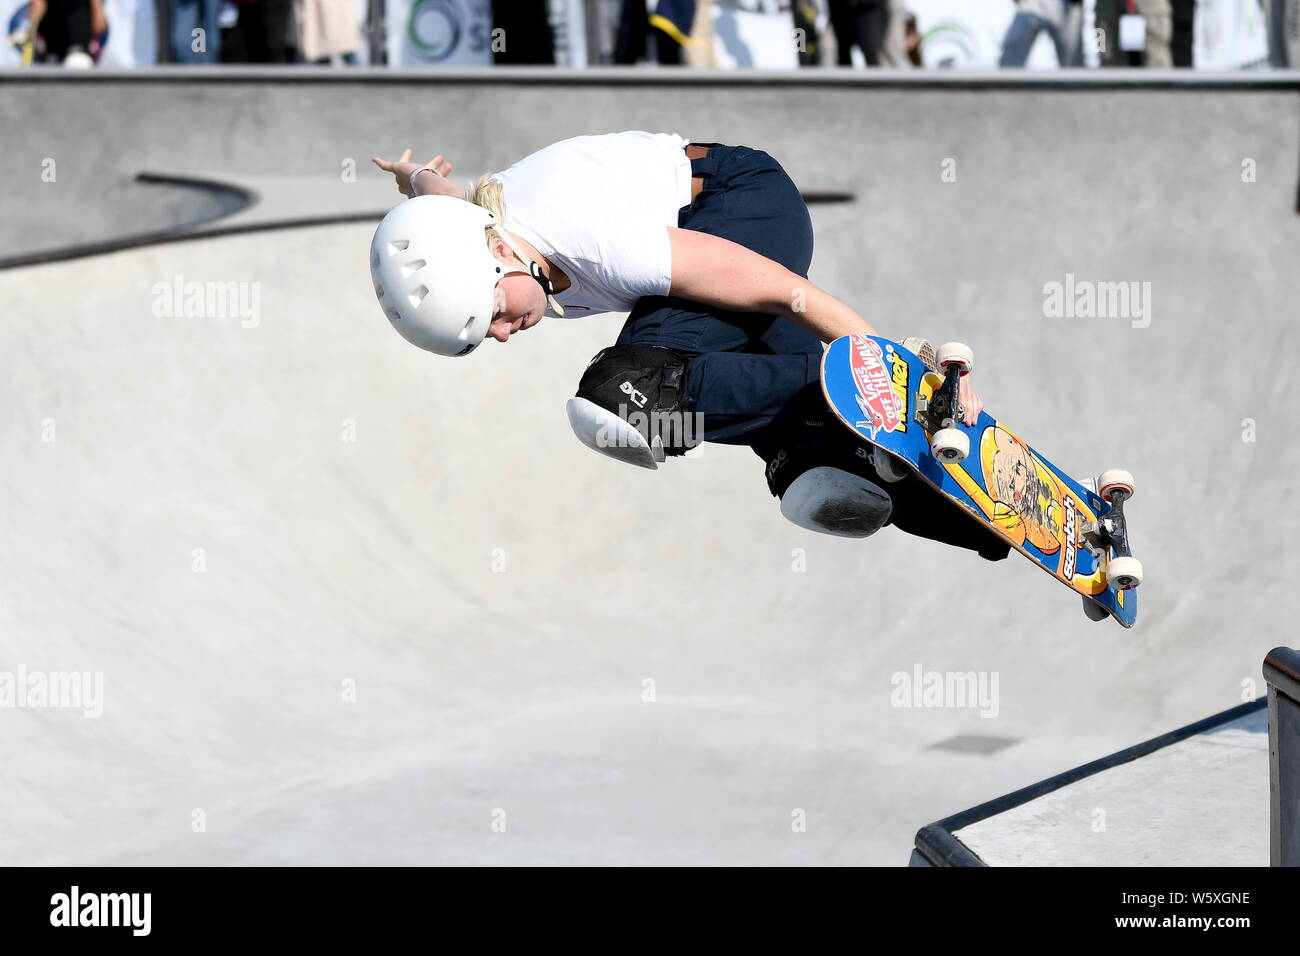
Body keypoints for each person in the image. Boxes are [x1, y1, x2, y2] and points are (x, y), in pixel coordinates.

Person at [369, 132, 1009, 559]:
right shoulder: (479, 229)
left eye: (496, 315)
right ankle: (970, 513)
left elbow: (789, 296)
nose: (505, 333)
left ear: (500, 251)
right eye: (488, 336)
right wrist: (415, 176)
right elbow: (448, 207)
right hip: (710, 237)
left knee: (629, 396)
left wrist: (891, 367)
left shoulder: (599, 242)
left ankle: (872, 401)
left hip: (743, 204)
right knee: (810, 469)